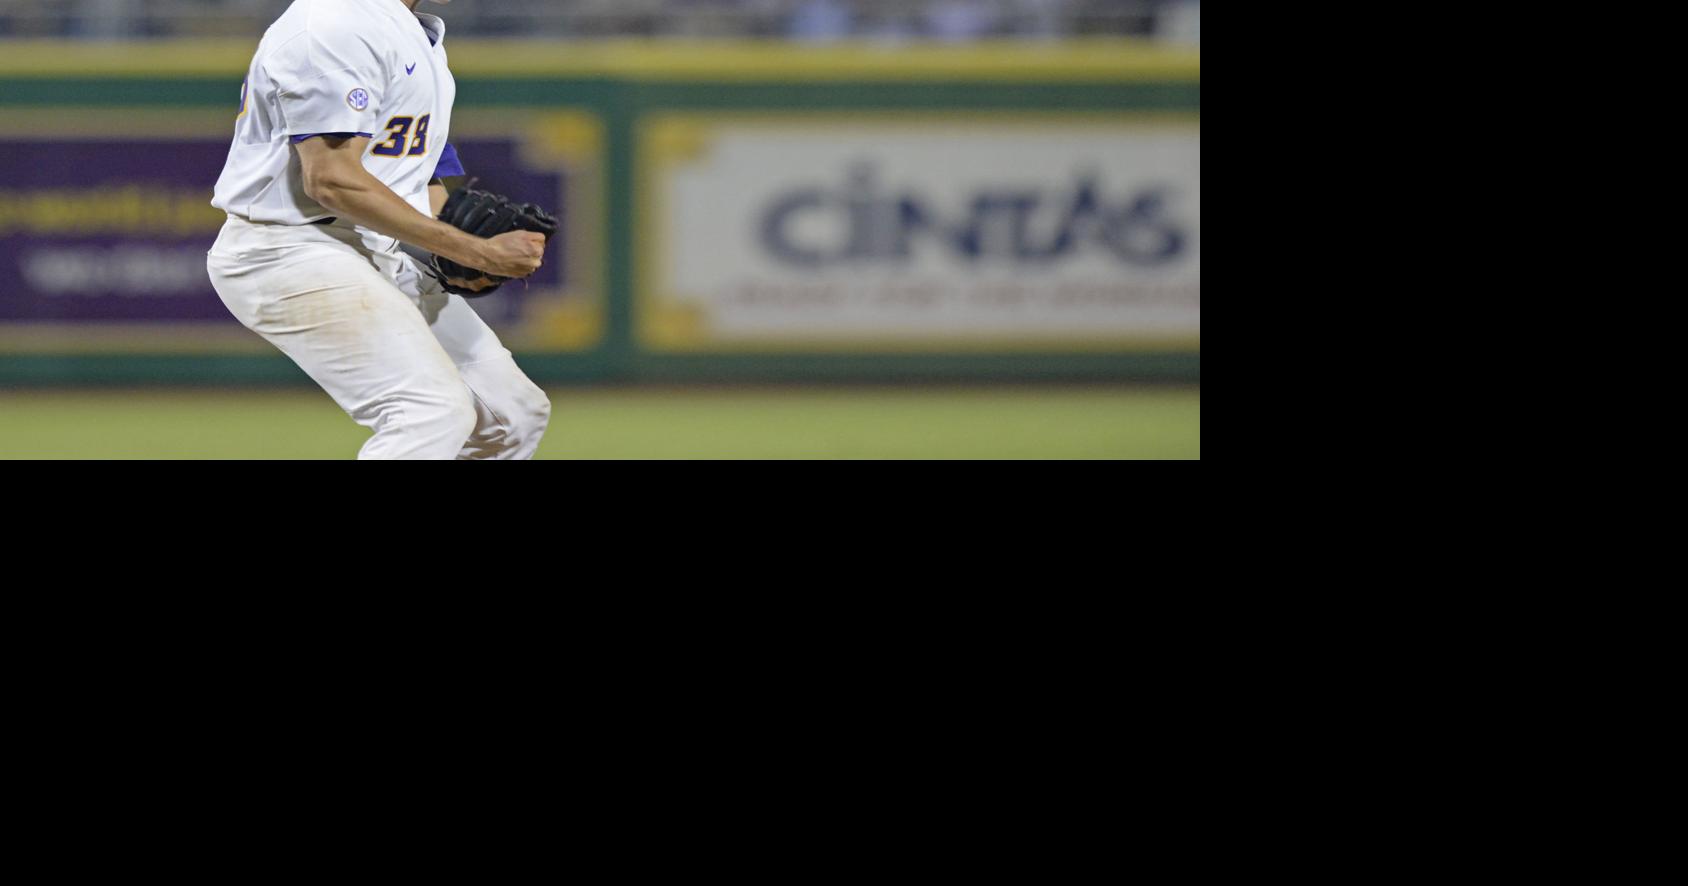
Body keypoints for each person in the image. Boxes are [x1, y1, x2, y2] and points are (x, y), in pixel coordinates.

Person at [207, 0, 553, 460]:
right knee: (428, 410)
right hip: (289, 247)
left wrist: (453, 250)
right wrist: (475, 251)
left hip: (371, 247)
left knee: (512, 416)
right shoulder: (334, 22)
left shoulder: (412, 33)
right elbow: (331, 179)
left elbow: (417, 176)